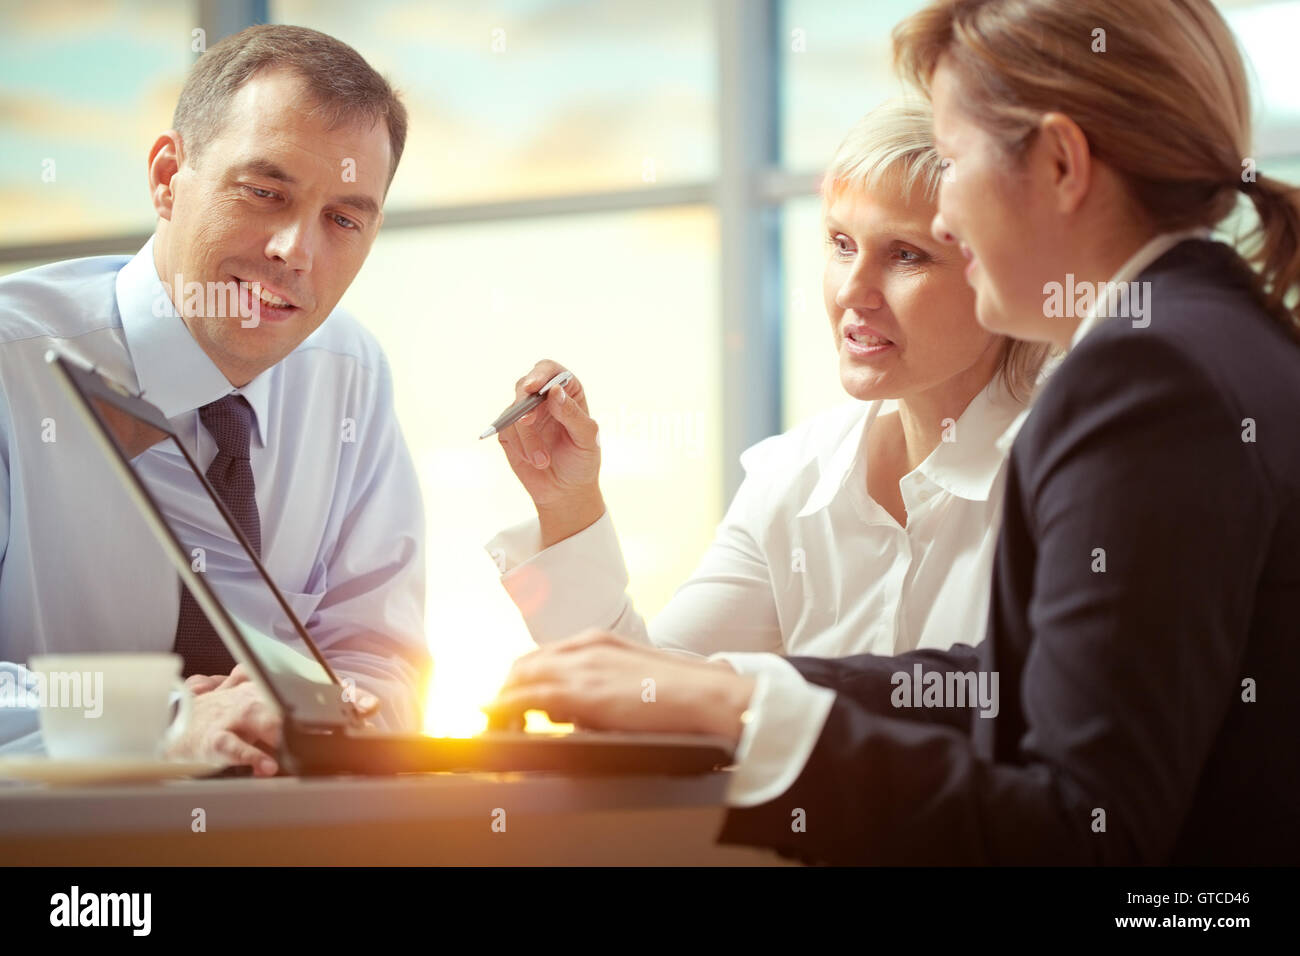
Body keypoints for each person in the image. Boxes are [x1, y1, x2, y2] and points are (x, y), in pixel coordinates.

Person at [485, 0, 1300, 864]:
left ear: (1062, 162)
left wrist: (747, 710)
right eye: (842, 242)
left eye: (953, 163)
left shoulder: (1145, 380)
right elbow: (1011, 688)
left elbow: (1079, 829)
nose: (946, 216)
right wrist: (735, 690)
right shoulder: (1211, 342)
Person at [0, 25, 428, 776]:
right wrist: (160, 724)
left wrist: (338, 712)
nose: (296, 250)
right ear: (168, 176)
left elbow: (377, 651)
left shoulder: (349, 372)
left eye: (344, 219)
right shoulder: (13, 368)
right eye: (265, 192)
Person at [489, 99, 1049, 660]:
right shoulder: (795, 479)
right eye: (841, 244)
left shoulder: (1063, 477)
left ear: (1000, 273)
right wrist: (569, 503)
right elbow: (652, 697)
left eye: (906, 255)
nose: (852, 291)